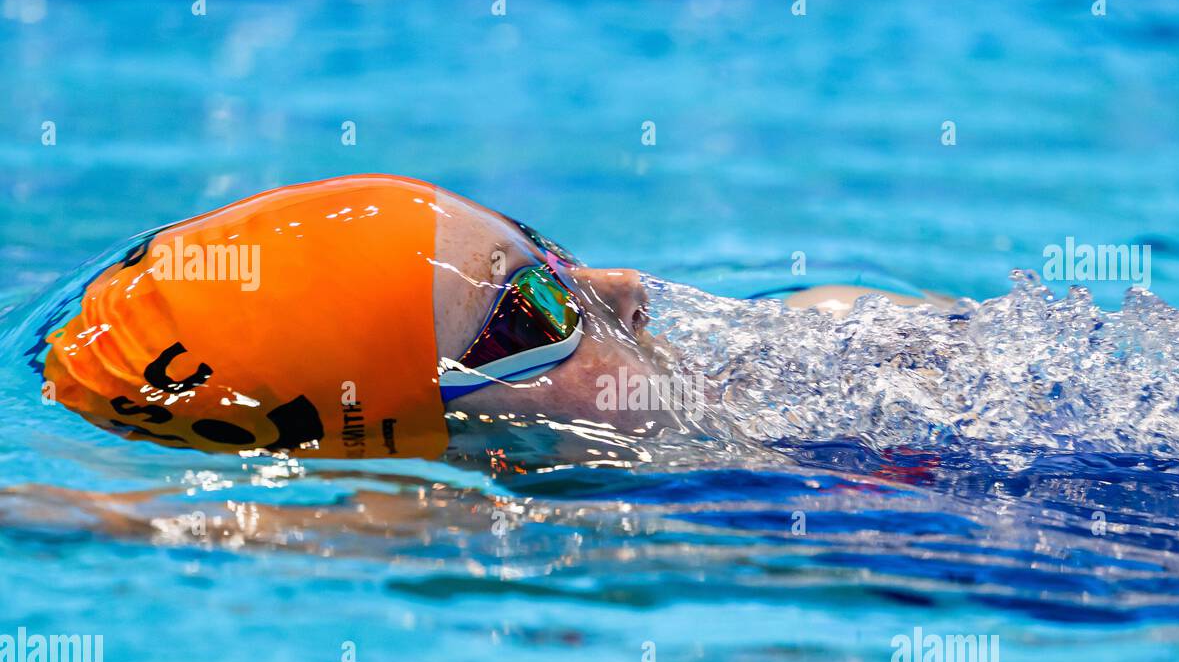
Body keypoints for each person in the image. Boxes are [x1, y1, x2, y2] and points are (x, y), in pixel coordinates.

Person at [35, 173, 920, 470]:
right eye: (530, 310)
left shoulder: (844, 331)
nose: (619, 288)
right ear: (449, 444)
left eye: (550, 254)